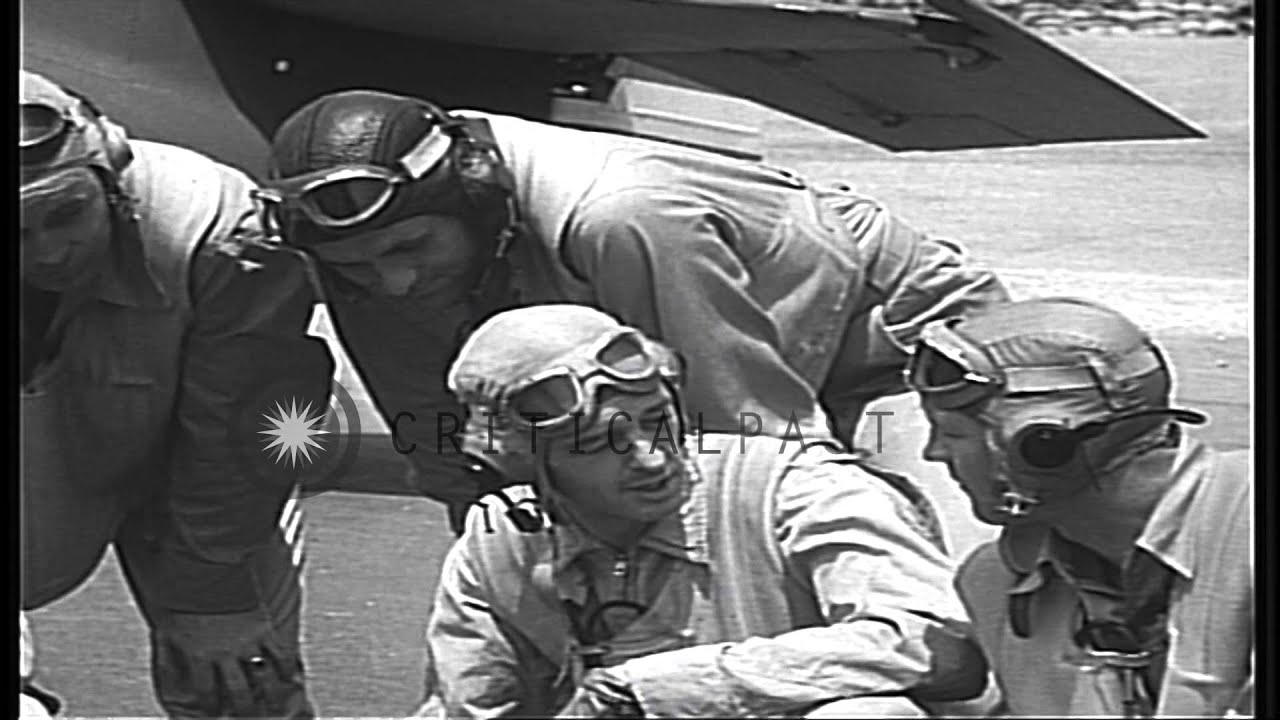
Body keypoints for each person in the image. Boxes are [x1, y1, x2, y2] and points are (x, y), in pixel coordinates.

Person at [259, 89, 1009, 529]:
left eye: (413, 248)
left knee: (931, 597)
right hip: (733, 375)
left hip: (891, 350)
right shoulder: (368, 256)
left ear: (474, 191)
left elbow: (756, 443)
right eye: (357, 268)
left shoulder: (624, 216)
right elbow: (448, 441)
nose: (393, 283)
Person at [419, 304, 997, 718]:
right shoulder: (500, 542)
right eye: (598, 445)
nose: (649, 461)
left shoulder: (790, 486)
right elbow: (468, 705)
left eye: (657, 423)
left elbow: (937, 642)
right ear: (528, 469)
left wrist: (657, 689)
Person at [19, 70, 332, 718]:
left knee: (239, 683)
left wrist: (210, 590)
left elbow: (263, 424)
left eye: (67, 213)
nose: (49, 252)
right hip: (38, 445)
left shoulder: (220, 230)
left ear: (111, 176)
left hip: (200, 454)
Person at [906, 297, 1253, 717]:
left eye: (952, 434)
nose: (932, 453)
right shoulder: (1000, 587)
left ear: (1043, 445)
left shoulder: (1247, 532)